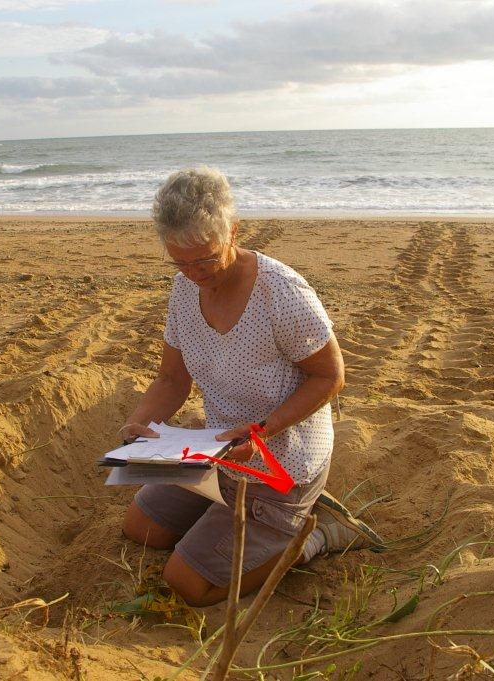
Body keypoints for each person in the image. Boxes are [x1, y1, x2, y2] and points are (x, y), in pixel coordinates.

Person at [118, 167, 365, 607]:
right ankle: (237, 516)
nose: (195, 274)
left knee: (188, 584)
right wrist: (140, 424)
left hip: (280, 460)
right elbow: (172, 379)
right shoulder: (184, 289)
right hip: (220, 450)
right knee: (142, 529)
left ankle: (317, 533)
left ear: (233, 232)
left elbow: (331, 376)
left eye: (205, 260)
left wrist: (262, 432)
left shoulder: (281, 292)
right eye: (181, 262)